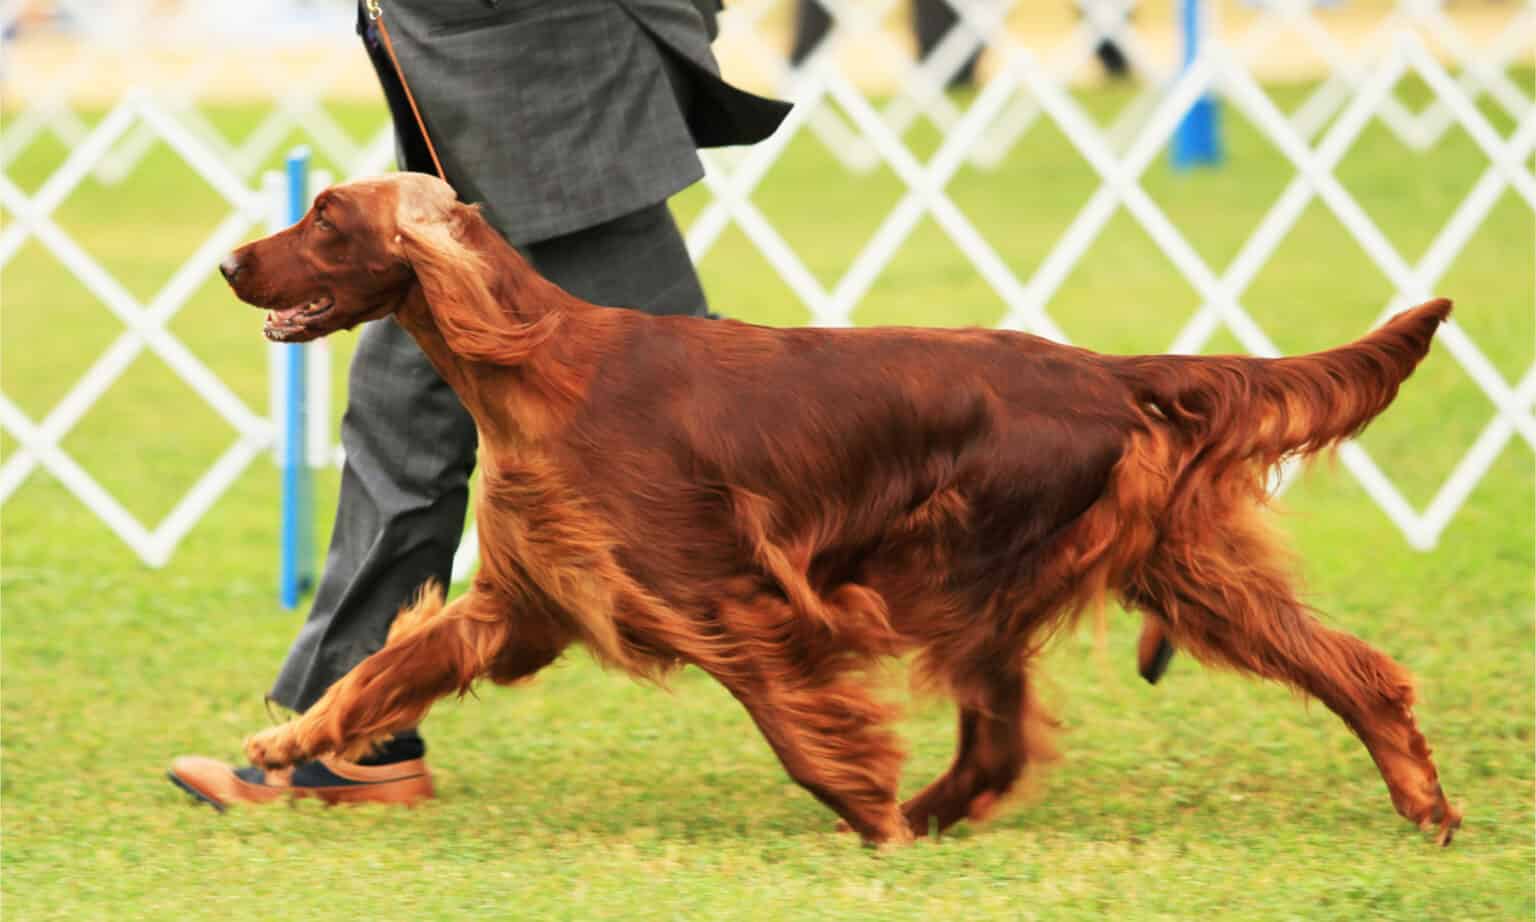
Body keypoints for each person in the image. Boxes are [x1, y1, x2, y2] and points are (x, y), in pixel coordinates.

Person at [168, 0, 790, 809]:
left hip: (559, 101)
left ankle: (879, 590)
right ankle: (355, 741)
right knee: (400, 413)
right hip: (468, 100)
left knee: (718, 432)